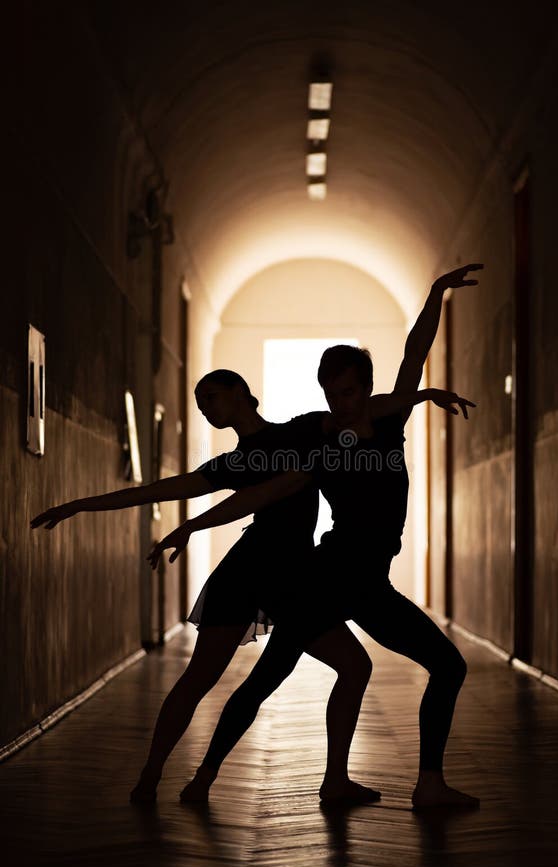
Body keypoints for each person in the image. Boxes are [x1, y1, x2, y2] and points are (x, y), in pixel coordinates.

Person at [30, 369, 460, 805]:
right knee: (203, 676)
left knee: (345, 668)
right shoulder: (238, 462)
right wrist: (82, 505)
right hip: (250, 574)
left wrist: (421, 394)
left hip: (290, 579)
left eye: (211, 397)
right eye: (200, 403)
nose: (205, 407)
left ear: (242, 394)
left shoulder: (301, 432)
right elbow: (162, 489)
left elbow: (369, 408)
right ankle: (151, 775)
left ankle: (320, 780)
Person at [151, 264, 483, 808]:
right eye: (331, 393)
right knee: (266, 678)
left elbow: (413, 356)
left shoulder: (390, 423)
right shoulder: (322, 448)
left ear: (366, 390)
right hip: (327, 578)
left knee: (446, 666)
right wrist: (191, 524)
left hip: (369, 584)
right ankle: (204, 777)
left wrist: (436, 294)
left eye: (349, 392)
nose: (341, 403)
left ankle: (410, 784)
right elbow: (259, 496)